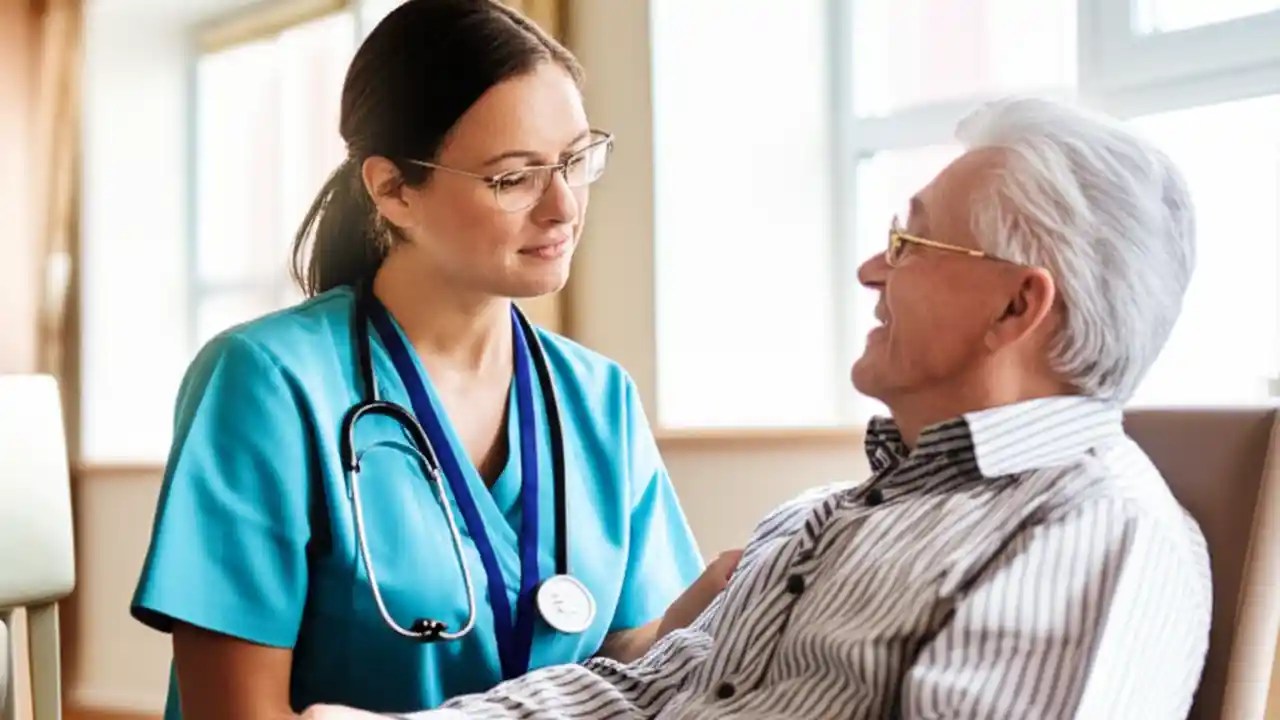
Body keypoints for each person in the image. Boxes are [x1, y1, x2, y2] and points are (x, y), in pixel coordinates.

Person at [304, 95, 1212, 720]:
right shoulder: (823, 518)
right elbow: (641, 694)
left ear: (1017, 306)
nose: (873, 268)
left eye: (914, 242)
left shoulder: (1095, 534)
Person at [129, 1, 726, 718]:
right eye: (514, 178)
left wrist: (730, 599)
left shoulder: (599, 398)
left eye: (575, 161)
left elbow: (628, 655)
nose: (564, 207)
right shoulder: (266, 383)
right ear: (393, 190)